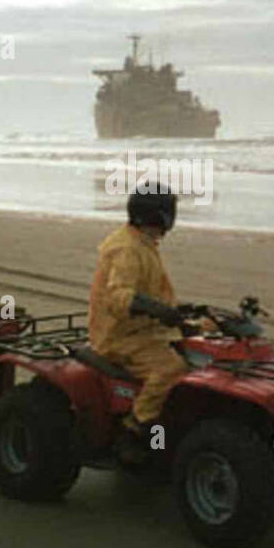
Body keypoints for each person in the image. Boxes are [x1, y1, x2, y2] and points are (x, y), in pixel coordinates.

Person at [88, 187, 189, 456]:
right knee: (171, 369)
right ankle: (137, 425)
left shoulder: (143, 243)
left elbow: (152, 290)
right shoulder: (126, 249)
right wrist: (156, 309)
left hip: (145, 330)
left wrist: (180, 313)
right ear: (154, 218)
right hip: (120, 337)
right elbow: (118, 297)